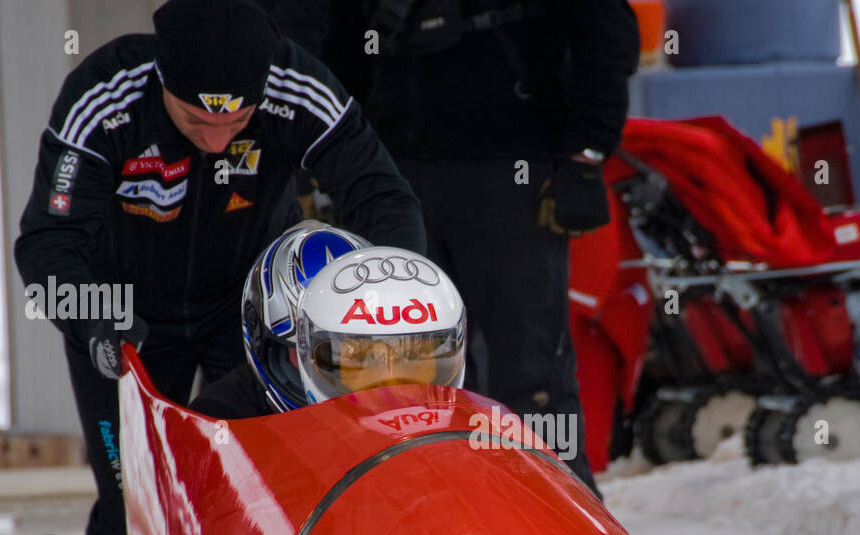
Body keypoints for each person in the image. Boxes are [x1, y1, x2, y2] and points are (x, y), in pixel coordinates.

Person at [13, 0, 426, 535]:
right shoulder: (104, 97)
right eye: (196, 122)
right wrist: (92, 321)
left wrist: (382, 295)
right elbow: (47, 241)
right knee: (132, 488)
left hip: (244, 310)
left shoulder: (298, 85)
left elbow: (382, 196)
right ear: (162, 86)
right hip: (120, 316)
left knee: (268, 478)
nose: (216, 137)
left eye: (235, 123)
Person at [257, 0, 641, 494]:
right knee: (403, 367)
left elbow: (605, 32)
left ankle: (563, 512)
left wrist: (587, 153)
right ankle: (434, 515)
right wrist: (313, 159)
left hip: (512, 171)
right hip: (391, 176)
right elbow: (332, 34)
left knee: (532, 377)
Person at [192, 220, 466, 419]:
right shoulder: (220, 417)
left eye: (407, 356)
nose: (383, 381)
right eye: (346, 358)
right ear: (270, 345)